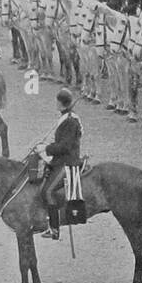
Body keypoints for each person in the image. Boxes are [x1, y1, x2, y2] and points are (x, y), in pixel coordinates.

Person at [34, 88, 83, 240]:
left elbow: (64, 147)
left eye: (57, 101)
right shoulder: (66, 117)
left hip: (68, 162)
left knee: (47, 192)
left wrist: (46, 149)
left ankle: (54, 229)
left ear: (60, 103)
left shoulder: (70, 121)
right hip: (61, 160)